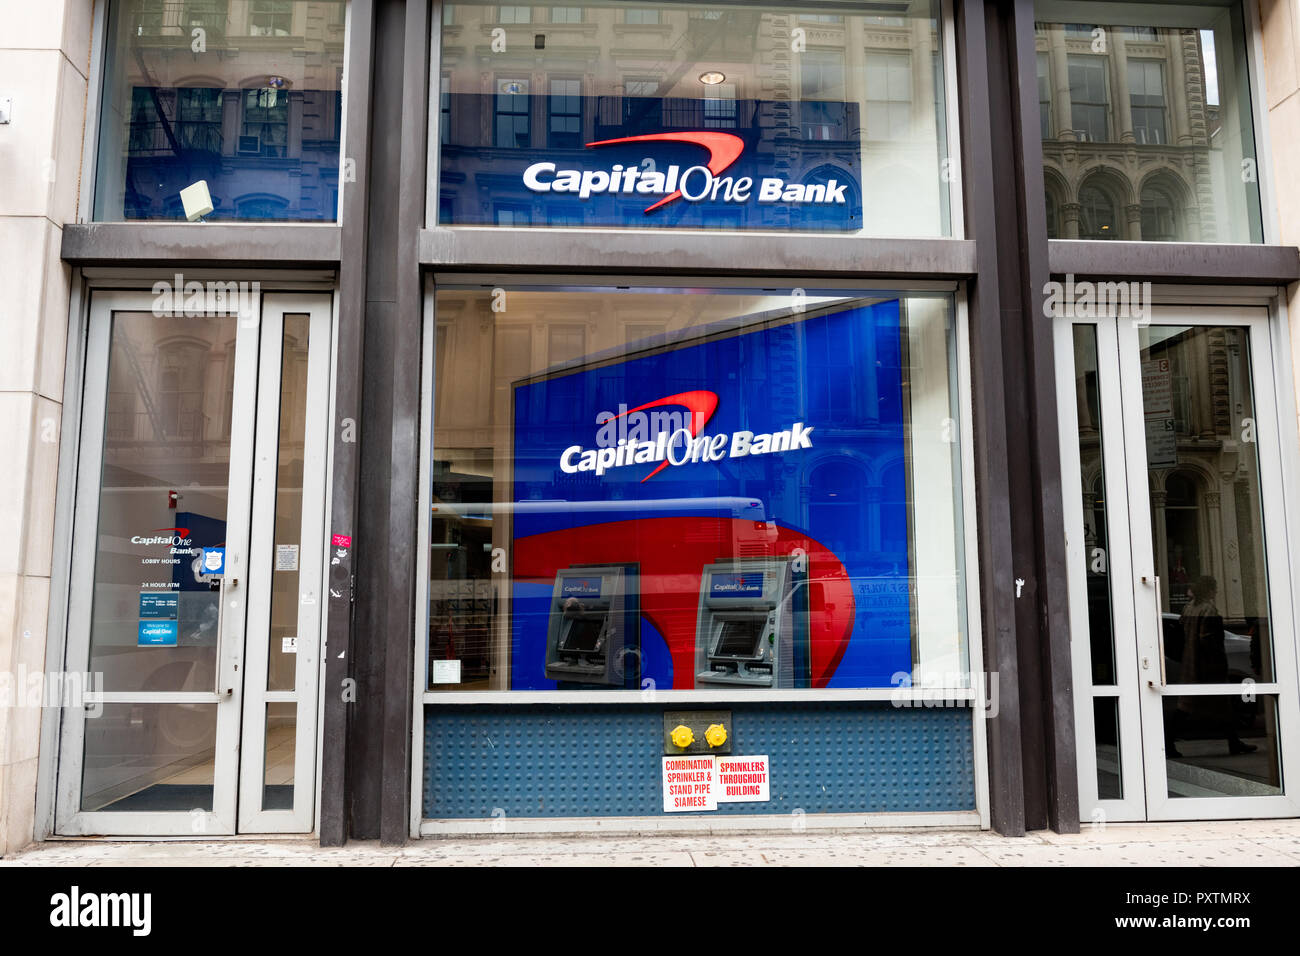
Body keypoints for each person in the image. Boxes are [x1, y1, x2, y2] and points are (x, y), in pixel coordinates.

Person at [1177, 576, 1256, 756]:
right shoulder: (1208, 610)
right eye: (1215, 587)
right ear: (1209, 590)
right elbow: (1209, 640)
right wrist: (1217, 662)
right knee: (1218, 705)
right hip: (1208, 665)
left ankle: (1234, 742)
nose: (1217, 591)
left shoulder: (1189, 607)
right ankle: (1234, 742)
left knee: (1190, 705)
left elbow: (1183, 628)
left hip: (1191, 661)